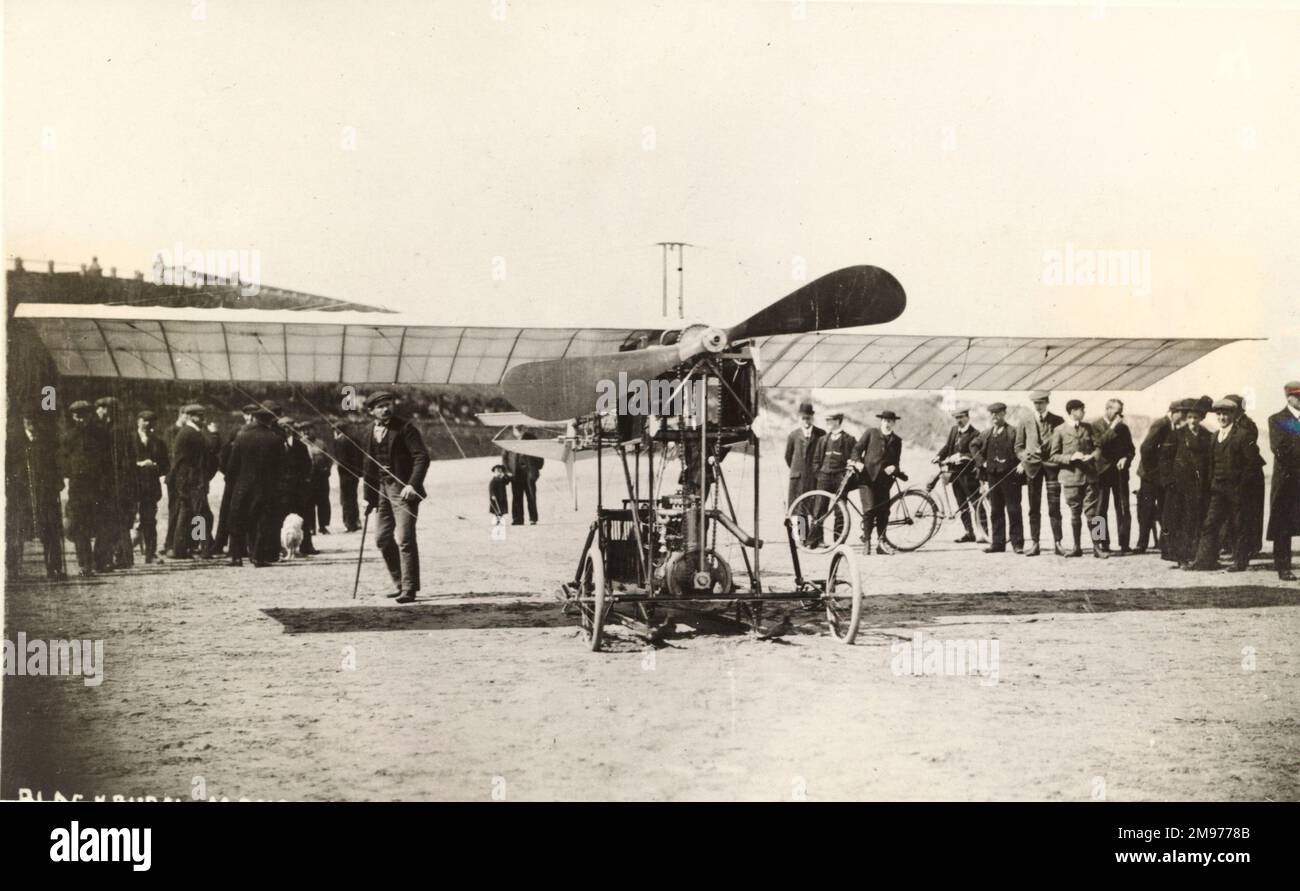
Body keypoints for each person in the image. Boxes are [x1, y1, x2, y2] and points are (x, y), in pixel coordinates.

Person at [362, 391, 430, 603]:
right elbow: (368, 466)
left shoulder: (406, 428)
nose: (386, 409)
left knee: (405, 538)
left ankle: (409, 589)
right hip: (381, 489)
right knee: (382, 538)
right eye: (380, 406)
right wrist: (368, 497)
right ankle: (399, 582)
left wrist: (412, 484)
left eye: (388, 404)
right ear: (371, 411)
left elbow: (422, 457)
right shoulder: (368, 431)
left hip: (403, 490)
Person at [1192, 399, 1263, 572]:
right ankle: (1203, 561)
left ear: (1233, 415)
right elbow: (1211, 464)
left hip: (1237, 490)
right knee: (1210, 523)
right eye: (1219, 414)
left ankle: (1240, 562)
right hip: (1217, 489)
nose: (1222, 417)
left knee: (1239, 525)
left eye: (1226, 414)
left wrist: (1242, 486)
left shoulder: (1243, 435)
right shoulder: (1215, 436)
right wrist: (1210, 483)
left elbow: (1252, 465)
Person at [6, 414, 66, 580]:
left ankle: (54, 568)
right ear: (23, 422)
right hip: (21, 495)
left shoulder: (46, 443)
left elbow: (56, 466)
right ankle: (13, 569)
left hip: (45, 494)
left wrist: (57, 483)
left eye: (34, 421)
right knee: (17, 531)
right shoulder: (13, 443)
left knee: (51, 531)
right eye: (28, 421)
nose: (32, 424)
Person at [225, 407, 287, 567]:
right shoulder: (276, 439)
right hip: (265, 487)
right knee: (262, 521)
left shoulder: (241, 437)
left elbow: (232, 465)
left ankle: (236, 557)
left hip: (243, 485)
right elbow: (281, 467)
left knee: (238, 520)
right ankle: (258, 556)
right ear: (269, 420)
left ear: (255, 419)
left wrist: (233, 483)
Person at [1048, 399, 1105, 558]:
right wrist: (1071, 457)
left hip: (1090, 477)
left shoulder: (1089, 427)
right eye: (1081, 410)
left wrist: (1092, 457)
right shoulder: (1059, 430)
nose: (1083, 412)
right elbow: (1053, 456)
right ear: (1072, 411)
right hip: (1071, 478)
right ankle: (1076, 547)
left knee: (1094, 513)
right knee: (1075, 513)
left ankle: (1097, 547)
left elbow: (1098, 448)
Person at [1163, 399, 1211, 569]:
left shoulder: (1206, 436)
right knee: (1180, 521)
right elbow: (1165, 459)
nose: (1192, 421)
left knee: (1196, 520)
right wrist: (1168, 481)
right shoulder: (1177, 434)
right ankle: (1181, 557)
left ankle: (1195, 555)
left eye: (1196, 417)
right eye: (1190, 417)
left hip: (1199, 486)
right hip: (1179, 486)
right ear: (1186, 418)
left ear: (1201, 418)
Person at [61, 400, 108, 576]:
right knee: (80, 527)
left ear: (90, 416)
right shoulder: (68, 437)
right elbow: (63, 462)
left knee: (102, 525)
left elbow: (108, 461)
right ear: (73, 417)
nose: (81, 420)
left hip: (99, 487)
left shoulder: (102, 435)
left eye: (84, 416)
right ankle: (85, 564)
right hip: (78, 488)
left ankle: (100, 560)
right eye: (77, 416)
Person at [1015, 391, 1064, 556]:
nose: (1038, 406)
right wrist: (1024, 459)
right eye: (1036, 403)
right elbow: (1018, 447)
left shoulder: (1058, 420)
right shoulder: (1025, 420)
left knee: (1054, 507)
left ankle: (1058, 543)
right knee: (1033, 507)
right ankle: (1035, 544)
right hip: (1032, 469)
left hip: (1052, 467)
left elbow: (1062, 444)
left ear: (1047, 403)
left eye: (1041, 403)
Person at [974, 403, 1024, 554]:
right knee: (995, 511)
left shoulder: (1013, 432)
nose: (994, 417)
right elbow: (973, 445)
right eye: (992, 414)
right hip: (993, 477)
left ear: (1004, 414)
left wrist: (1023, 463)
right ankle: (998, 544)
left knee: (1013, 510)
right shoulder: (986, 434)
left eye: (998, 413)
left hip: (1011, 477)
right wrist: (981, 462)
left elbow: (1024, 448)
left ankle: (1017, 544)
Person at [852, 410, 903, 554]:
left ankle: (881, 543)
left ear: (894, 423)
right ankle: (867, 542)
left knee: (884, 512)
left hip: (884, 481)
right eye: (885, 421)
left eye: (890, 421)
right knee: (869, 509)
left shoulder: (897, 441)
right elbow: (856, 449)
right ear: (881, 421)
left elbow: (897, 462)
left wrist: (894, 467)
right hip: (866, 478)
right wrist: (857, 462)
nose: (887, 423)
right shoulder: (871, 433)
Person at [1222, 393, 1266, 559]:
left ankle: (1248, 547)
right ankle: (1235, 545)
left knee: (1248, 512)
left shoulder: (1246, 425)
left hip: (1249, 475)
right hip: (1240, 473)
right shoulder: (1238, 423)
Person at [94, 396, 136, 569]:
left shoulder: (114, 431)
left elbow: (118, 460)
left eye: (100, 408)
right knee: (120, 522)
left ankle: (104, 558)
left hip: (114, 484)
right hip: (119, 482)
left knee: (109, 521)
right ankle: (124, 557)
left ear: (107, 410)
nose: (97, 412)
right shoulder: (120, 429)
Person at [169, 403, 216, 559]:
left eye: (202, 415)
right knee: (203, 515)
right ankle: (203, 548)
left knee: (186, 514)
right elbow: (210, 449)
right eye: (198, 416)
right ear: (189, 417)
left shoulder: (187, 432)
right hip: (193, 482)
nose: (202, 419)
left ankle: (180, 549)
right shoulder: (192, 433)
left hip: (186, 481)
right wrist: (215, 434)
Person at [932, 408, 985, 543]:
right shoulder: (954, 430)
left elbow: (975, 454)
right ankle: (969, 533)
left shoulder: (976, 433)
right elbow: (947, 446)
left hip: (969, 475)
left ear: (967, 417)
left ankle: (984, 532)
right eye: (957, 418)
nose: (959, 420)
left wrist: (961, 456)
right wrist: (939, 455)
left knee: (976, 504)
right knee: (961, 505)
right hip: (954, 474)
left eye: (961, 417)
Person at [1134, 401, 1180, 554]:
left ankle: (1164, 543)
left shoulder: (1172, 425)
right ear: (1174, 412)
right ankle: (1142, 544)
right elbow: (1146, 448)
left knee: (1163, 508)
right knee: (1146, 509)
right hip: (1150, 475)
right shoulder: (1161, 424)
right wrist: (1153, 473)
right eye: (1182, 414)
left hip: (1160, 476)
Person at [212, 404, 258, 555]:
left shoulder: (256, 431)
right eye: (247, 414)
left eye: (253, 414)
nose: (250, 417)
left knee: (244, 513)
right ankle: (215, 545)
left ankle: (240, 548)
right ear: (244, 415)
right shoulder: (237, 431)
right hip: (234, 480)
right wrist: (229, 475)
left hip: (245, 480)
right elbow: (225, 455)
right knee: (227, 514)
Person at [1266, 381, 1300, 581]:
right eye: (1298, 397)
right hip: (1287, 481)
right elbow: (1281, 450)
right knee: (1283, 524)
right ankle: (1283, 566)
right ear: (1289, 397)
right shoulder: (1277, 420)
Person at [1092, 398, 1135, 554]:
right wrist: (1113, 427)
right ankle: (1100, 545)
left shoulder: (1124, 428)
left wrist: (1126, 458)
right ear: (1108, 409)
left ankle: (1124, 544)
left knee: (1123, 508)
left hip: (1120, 473)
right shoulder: (1095, 426)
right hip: (1101, 474)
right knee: (1099, 509)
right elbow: (1099, 443)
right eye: (1117, 412)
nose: (1119, 415)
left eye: (1121, 412)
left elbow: (1131, 449)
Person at [809, 411, 855, 546]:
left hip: (841, 478)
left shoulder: (849, 439)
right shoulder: (823, 439)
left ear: (837, 421)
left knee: (840, 511)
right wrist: (819, 474)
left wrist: (848, 472)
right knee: (819, 509)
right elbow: (816, 460)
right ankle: (814, 540)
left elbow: (855, 456)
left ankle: (838, 542)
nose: (827, 423)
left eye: (830, 420)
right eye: (827, 420)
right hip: (824, 477)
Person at [131, 410, 170, 563]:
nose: (148, 424)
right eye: (145, 420)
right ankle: (121, 553)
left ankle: (150, 553)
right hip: (133, 486)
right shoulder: (129, 440)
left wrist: (154, 466)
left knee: (149, 520)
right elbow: (122, 463)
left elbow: (166, 466)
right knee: (128, 519)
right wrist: (138, 465)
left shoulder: (158, 442)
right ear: (138, 421)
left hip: (150, 488)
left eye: (151, 421)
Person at [278, 419, 318, 556]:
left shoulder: (301, 446)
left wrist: (303, 481)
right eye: (283, 427)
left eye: (289, 427)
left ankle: (306, 545)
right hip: (281, 488)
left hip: (298, 488)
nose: (286, 430)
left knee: (303, 517)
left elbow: (307, 465)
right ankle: (282, 547)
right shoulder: (275, 444)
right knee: (281, 518)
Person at [784, 402, 825, 533]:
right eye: (803, 418)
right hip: (798, 478)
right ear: (799, 418)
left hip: (814, 477)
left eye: (808, 418)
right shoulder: (793, 435)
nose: (806, 421)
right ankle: (802, 537)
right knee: (799, 507)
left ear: (812, 418)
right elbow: (788, 457)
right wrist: (798, 470)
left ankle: (817, 538)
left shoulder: (821, 434)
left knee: (816, 508)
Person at [501, 423, 544, 525]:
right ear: (512, 427)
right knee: (516, 496)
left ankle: (533, 518)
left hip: (529, 472)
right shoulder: (508, 439)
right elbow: (504, 457)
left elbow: (540, 453)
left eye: (520, 427)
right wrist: (508, 471)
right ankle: (517, 519)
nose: (519, 429)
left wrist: (537, 468)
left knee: (531, 496)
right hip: (515, 473)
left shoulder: (531, 438)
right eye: (516, 427)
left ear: (524, 427)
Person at [332, 418, 365, 532]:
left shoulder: (341, 441)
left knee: (346, 499)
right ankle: (355, 522)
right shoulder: (354, 439)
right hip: (354, 474)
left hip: (345, 475)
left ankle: (349, 524)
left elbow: (341, 461)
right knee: (353, 497)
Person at [306, 431, 334, 535]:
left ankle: (323, 526)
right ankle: (311, 527)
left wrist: (328, 470)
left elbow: (329, 459)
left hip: (322, 478)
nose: (306, 432)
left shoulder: (321, 443)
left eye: (308, 429)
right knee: (309, 504)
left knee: (323, 502)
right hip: (309, 479)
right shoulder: (301, 443)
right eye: (303, 430)